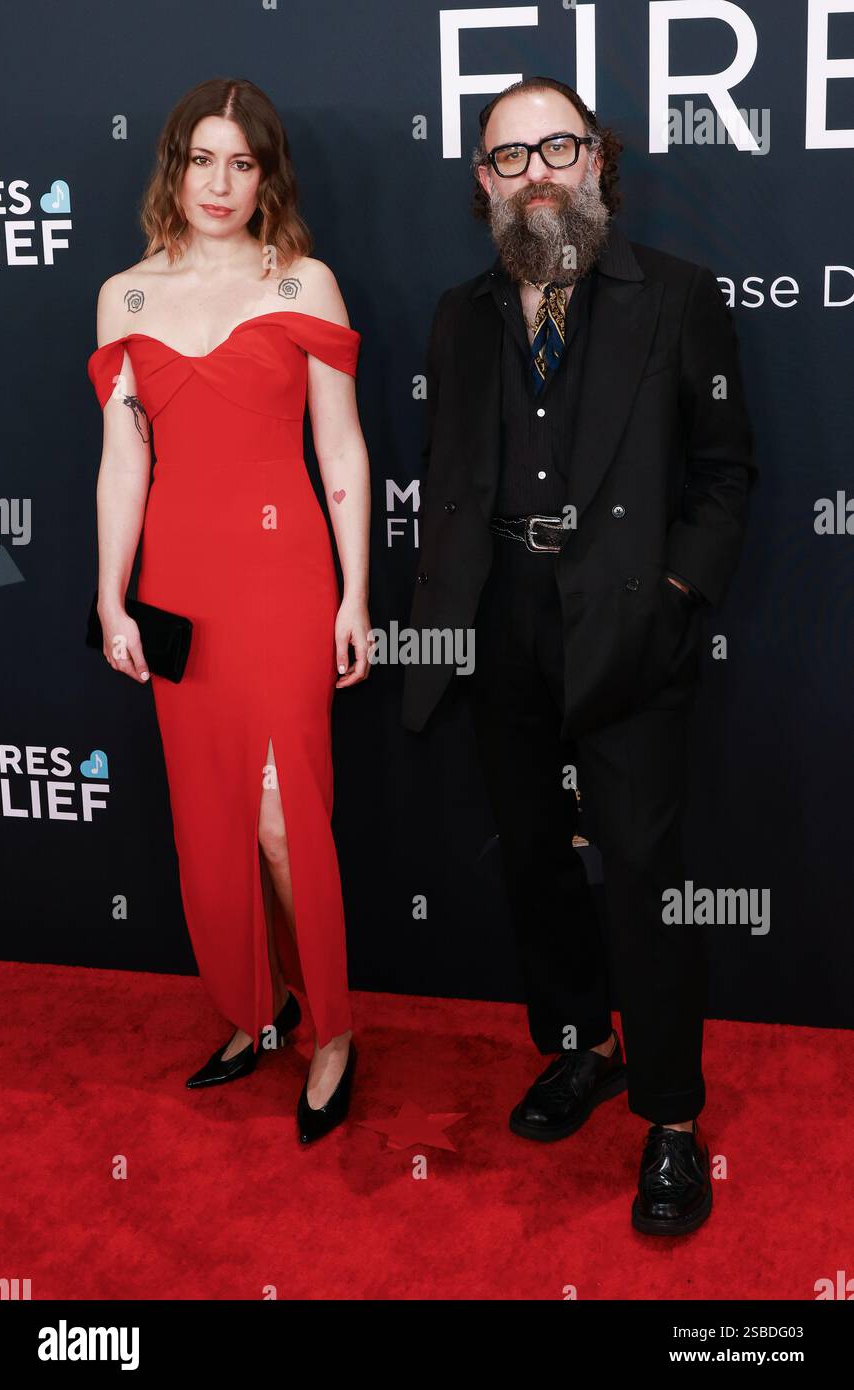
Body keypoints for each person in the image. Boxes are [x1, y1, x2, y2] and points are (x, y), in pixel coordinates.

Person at [401, 76, 756, 1233]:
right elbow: (448, 480)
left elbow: (721, 474)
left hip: (626, 625)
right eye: (509, 157)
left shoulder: (677, 299)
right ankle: (578, 1047)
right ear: (481, 183)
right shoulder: (459, 316)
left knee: (646, 886)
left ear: (597, 161)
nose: (535, 171)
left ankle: (668, 1117)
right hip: (495, 623)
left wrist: (669, 595)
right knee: (536, 868)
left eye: (556, 146)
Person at [87, 77, 371, 1144]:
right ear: (173, 168)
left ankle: (332, 1029)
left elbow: (339, 447)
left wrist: (355, 592)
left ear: (266, 176)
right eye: (202, 160)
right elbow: (124, 461)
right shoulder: (126, 297)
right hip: (178, 586)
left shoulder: (303, 282)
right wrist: (108, 593)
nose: (219, 183)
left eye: (241, 163)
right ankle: (257, 1010)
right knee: (210, 815)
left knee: (280, 815)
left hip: (283, 574)